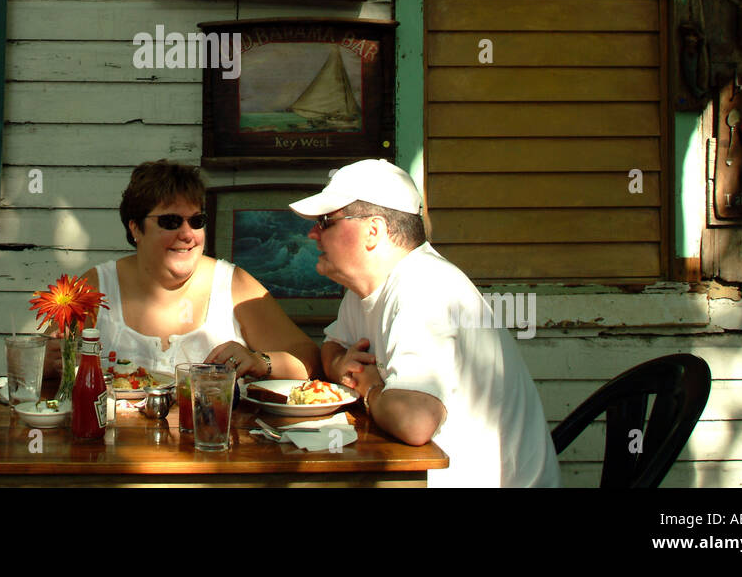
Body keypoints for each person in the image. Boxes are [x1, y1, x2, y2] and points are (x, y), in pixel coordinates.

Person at [289, 159, 559, 487]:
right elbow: (332, 348)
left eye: (325, 221)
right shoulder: (368, 287)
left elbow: (415, 421)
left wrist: (368, 387)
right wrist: (345, 366)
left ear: (372, 231)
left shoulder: (424, 288)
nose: (312, 233)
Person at [75, 160, 320, 379]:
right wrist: (54, 363)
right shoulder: (98, 285)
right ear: (136, 229)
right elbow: (50, 357)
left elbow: (308, 358)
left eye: (196, 221)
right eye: (170, 222)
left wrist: (261, 362)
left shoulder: (232, 285)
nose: (187, 234)